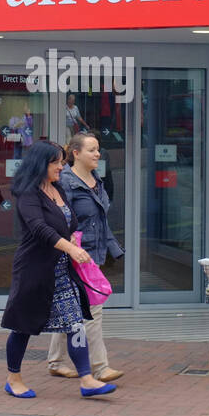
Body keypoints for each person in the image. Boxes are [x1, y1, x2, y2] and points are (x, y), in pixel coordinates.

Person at [0, 140, 115, 399]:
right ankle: (13, 378)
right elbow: (40, 229)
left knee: (75, 323)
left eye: (62, 162)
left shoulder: (58, 189)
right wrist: (70, 248)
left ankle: (87, 379)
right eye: (56, 162)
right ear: (41, 164)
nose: (61, 167)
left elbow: (68, 221)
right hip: (34, 270)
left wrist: (73, 237)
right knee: (23, 325)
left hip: (61, 272)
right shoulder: (28, 194)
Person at [48, 132, 124, 382]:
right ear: (76, 153)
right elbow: (60, 218)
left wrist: (112, 248)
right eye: (91, 149)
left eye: (98, 149)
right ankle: (100, 367)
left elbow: (101, 219)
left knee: (69, 307)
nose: (97, 154)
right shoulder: (66, 182)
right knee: (93, 309)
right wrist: (69, 247)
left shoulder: (96, 179)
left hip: (94, 252)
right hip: (75, 254)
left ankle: (56, 361)